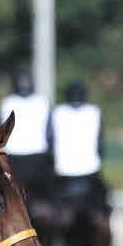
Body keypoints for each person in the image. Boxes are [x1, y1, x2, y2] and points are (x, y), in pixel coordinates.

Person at [47, 79, 110, 219]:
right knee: (104, 206)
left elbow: (49, 142)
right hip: (91, 172)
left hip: (62, 173)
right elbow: (101, 145)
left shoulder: (56, 112)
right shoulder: (95, 112)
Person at [0, 69, 52, 199]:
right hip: (38, 158)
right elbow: (50, 134)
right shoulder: (43, 102)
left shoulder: (7, 102)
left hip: (13, 159)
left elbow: (0, 133)